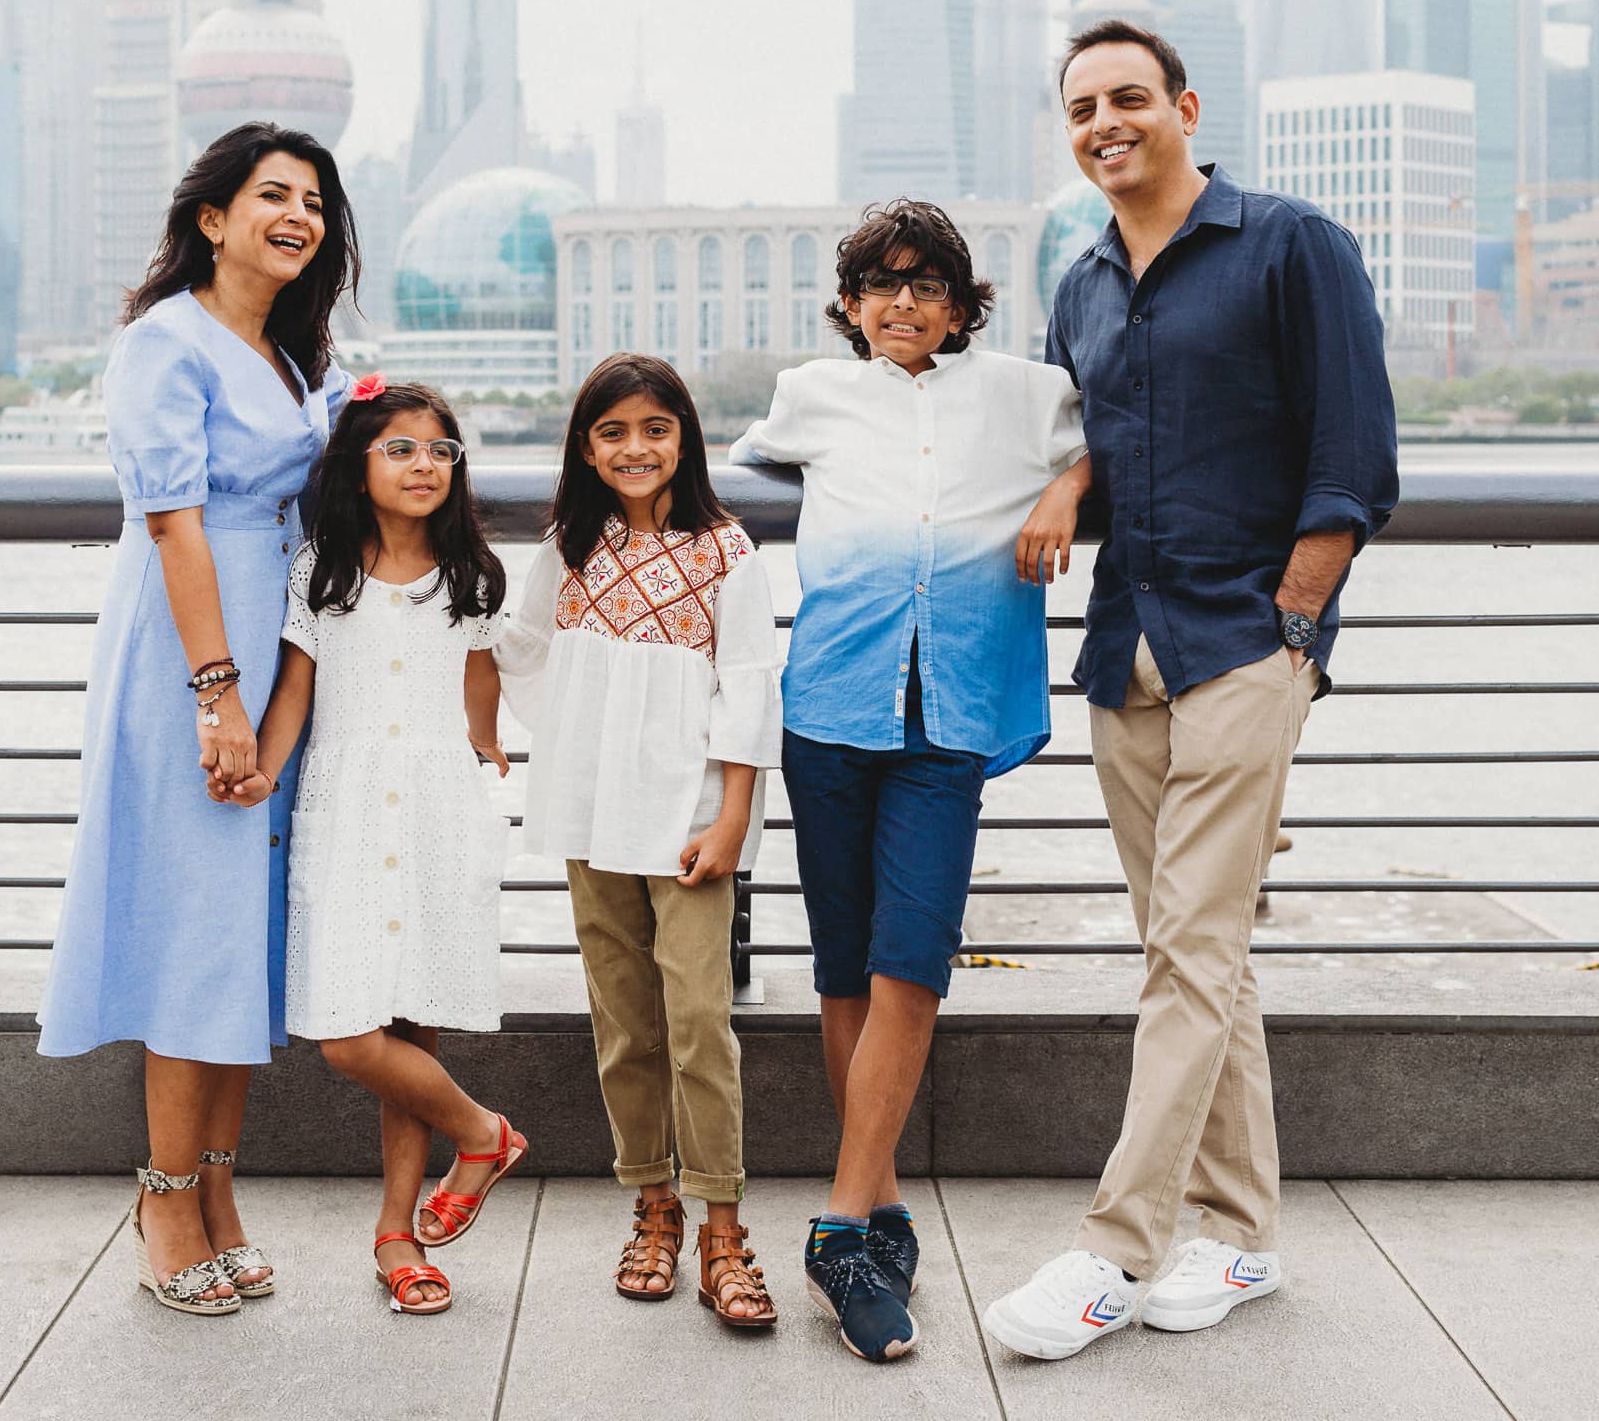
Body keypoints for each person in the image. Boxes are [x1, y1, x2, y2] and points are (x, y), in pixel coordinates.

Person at [982, 19, 1398, 1361]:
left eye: (1128, 98)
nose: (1105, 121)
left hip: (1242, 643)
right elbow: (1089, 435)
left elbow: (1355, 450)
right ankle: (1244, 1235)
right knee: (1201, 953)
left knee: (1189, 950)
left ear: (1184, 106)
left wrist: (1294, 622)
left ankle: (1117, 1251)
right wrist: (1066, 479)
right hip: (1126, 651)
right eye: (1082, 107)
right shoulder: (1084, 281)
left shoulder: (1290, 244)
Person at [731, 200, 1088, 1364]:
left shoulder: (1024, 395)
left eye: (924, 285)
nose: (900, 304)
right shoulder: (809, 396)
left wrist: (1064, 490)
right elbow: (719, 474)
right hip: (829, 703)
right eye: (878, 285)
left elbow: (1114, 437)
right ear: (847, 304)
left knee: (912, 959)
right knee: (843, 961)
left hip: (951, 715)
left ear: (960, 302)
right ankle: (875, 1206)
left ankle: (837, 1227)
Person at [38, 123, 358, 1316]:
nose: (299, 214)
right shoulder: (163, 340)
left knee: (239, 928)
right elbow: (171, 521)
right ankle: (163, 1194)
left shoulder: (286, 352)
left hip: (264, 636)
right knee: (192, 922)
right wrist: (216, 693)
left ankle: (219, 1188)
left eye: (315, 201)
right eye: (272, 193)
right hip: (192, 649)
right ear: (211, 218)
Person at [494, 353, 783, 1331]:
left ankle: (721, 1225)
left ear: (683, 438)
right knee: (623, 1021)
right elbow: (520, 646)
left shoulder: (725, 548)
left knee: (699, 1018)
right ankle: (652, 1204)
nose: (634, 446)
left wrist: (731, 815)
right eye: (612, 430)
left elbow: (748, 681)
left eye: (654, 427)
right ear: (585, 445)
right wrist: (557, 737)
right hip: (592, 814)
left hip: (689, 823)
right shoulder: (569, 547)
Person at [227, 375, 523, 1316]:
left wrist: (485, 757)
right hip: (347, 810)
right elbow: (294, 696)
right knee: (350, 1037)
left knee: (413, 1030)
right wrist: (262, 773)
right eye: (400, 448)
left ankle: (399, 1237)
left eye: (440, 450)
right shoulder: (321, 568)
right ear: (359, 464)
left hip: (438, 811)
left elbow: (480, 690)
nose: (424, 464)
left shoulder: (473, 575)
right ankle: (485, 1135)